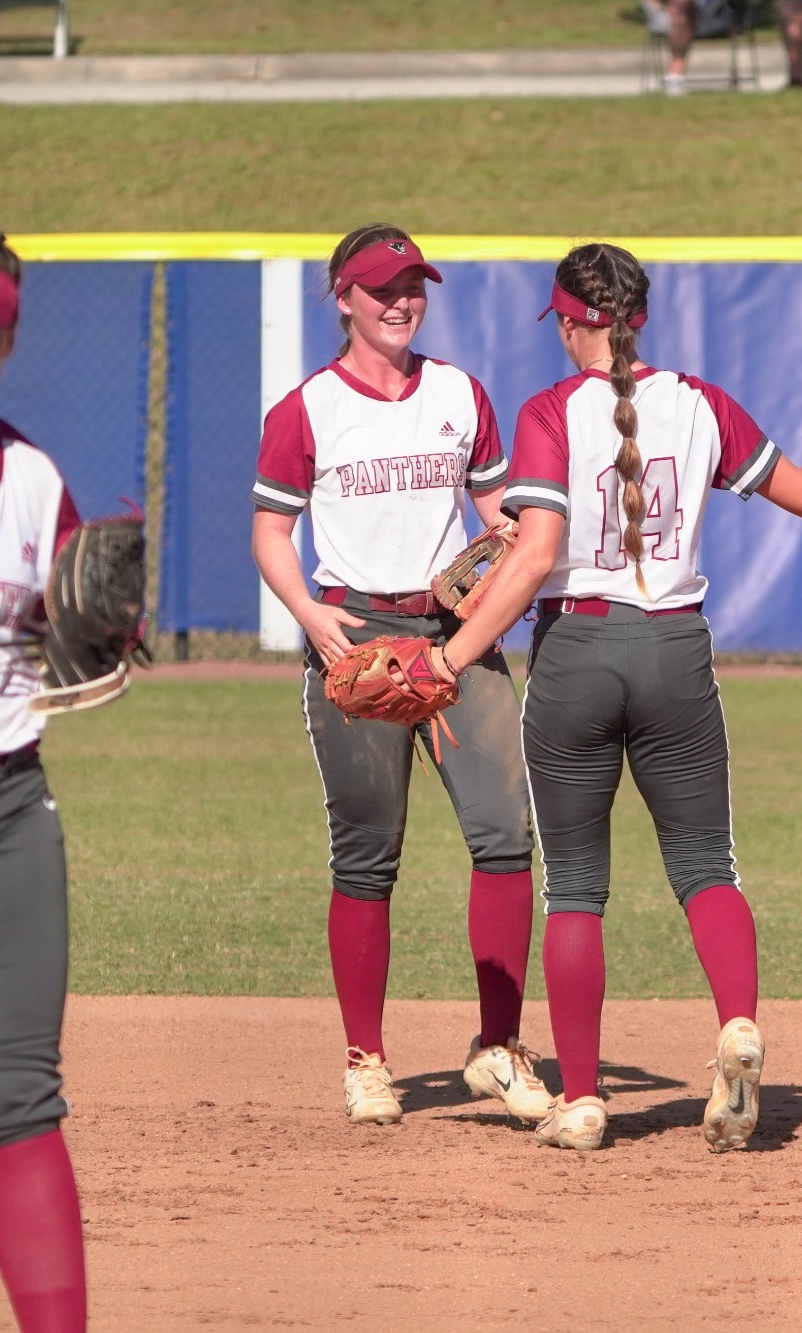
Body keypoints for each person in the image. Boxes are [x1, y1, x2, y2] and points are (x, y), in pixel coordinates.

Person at [428, 242, 802, 1152]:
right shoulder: (702, 404)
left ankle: (583, 1100)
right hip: (675, 648)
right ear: (641, 318)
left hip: (580, 650)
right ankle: (736, 1024)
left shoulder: (551, 411)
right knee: (708, 868)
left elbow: (537, 553)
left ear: (572, 322)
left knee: (577, 888)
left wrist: (453, 657)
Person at [250, 223, 551, 1131]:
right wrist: (311, 616)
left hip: (453, 637)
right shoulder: (308, 408)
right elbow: (270, 532)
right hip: (358, 641)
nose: (401, 300)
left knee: (505, 835)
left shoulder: (459, 393)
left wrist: (502, 544)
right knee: (367, 857)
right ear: (343, 297)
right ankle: (365, 1060)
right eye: (382, 287)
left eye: (413, 284)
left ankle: (498, 1048)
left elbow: (496, 509)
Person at [0, 234, 88, 1330]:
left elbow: (70, 643)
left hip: (9, 807)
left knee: (17, 1097)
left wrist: (106, 629)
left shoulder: (35, 480)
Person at [643, 0, 739, 95]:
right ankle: (675, 76)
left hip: (716, 15)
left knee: (682, 4)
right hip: (666, 16)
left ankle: (675, 74)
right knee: (681, 5)